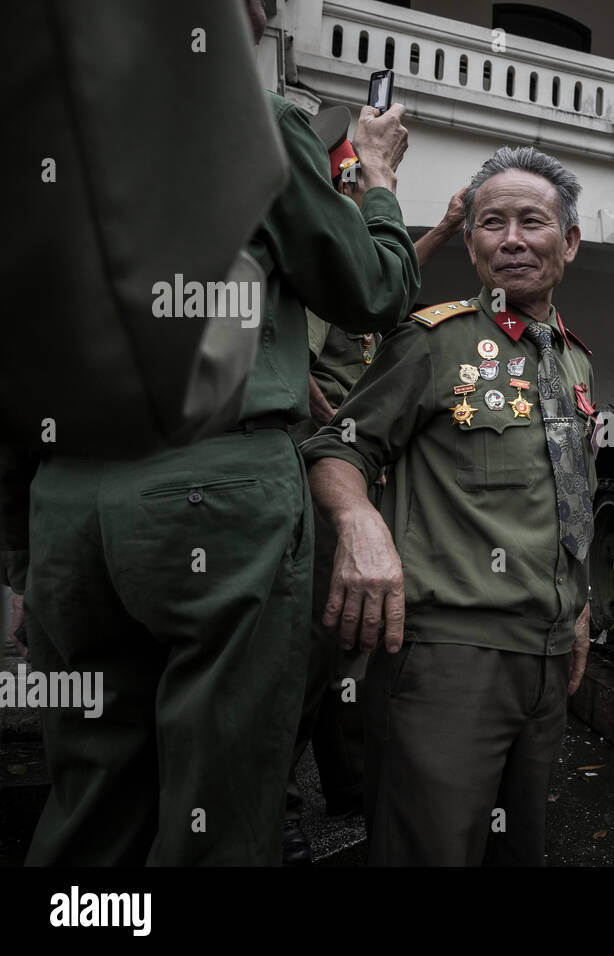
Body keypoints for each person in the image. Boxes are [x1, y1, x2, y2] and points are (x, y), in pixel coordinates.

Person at [8, 0, 421, 865]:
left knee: (89, 802)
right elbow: (373, 290)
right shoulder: (251, 121)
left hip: (64, 500)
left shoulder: (33, 118)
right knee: (218, 807)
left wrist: (22, 550)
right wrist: (378, 182)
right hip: (214, 490)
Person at [300, 145, 597, 866]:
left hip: (549, 656)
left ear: (571, 241)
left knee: (516, 849)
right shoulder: (433, 341)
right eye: (492, 223)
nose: (513, 239)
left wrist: (578, 606)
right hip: (447, 658)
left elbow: (568, 491)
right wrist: (358, 520)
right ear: (469, 244)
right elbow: (339, 445)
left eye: (534, 221)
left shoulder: (575, 358)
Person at [281, 184, 469, 867]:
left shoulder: (370, 291)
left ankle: (351, 783)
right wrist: (341, 422)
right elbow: (295, 361)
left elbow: (387, 288)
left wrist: (447, 225)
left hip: (363, 466)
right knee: (310, 641)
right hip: (319, 467)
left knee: (356, 640)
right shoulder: (324, 286)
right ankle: (280, 807)